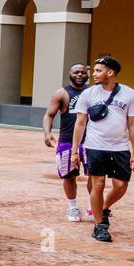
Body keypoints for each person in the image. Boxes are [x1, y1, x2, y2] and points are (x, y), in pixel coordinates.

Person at [70, 55, 134, 243]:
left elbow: (133, 124)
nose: (93, 74)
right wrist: (74, 151)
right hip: (94, 146)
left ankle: (103, 208)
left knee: (120, 185)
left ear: (110, 72)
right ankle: (100, 225)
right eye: (94, 71)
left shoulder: (129, 94)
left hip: (120, 147)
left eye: (98, 70)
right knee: (98, 183)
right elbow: (80, 123)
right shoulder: (88, 94)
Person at [43, 63, 91, 221]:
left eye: (82, 72)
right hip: (67, 141)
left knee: (95, 176)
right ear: (70, 74)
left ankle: (92, 207)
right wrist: (47, 133)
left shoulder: (93, 92)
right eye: (76, 72)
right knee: (69, 176)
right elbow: (49, 115)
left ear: (87, 74)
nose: (79, 75)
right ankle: (73, 207)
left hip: (92, 141)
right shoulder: (62, 93)